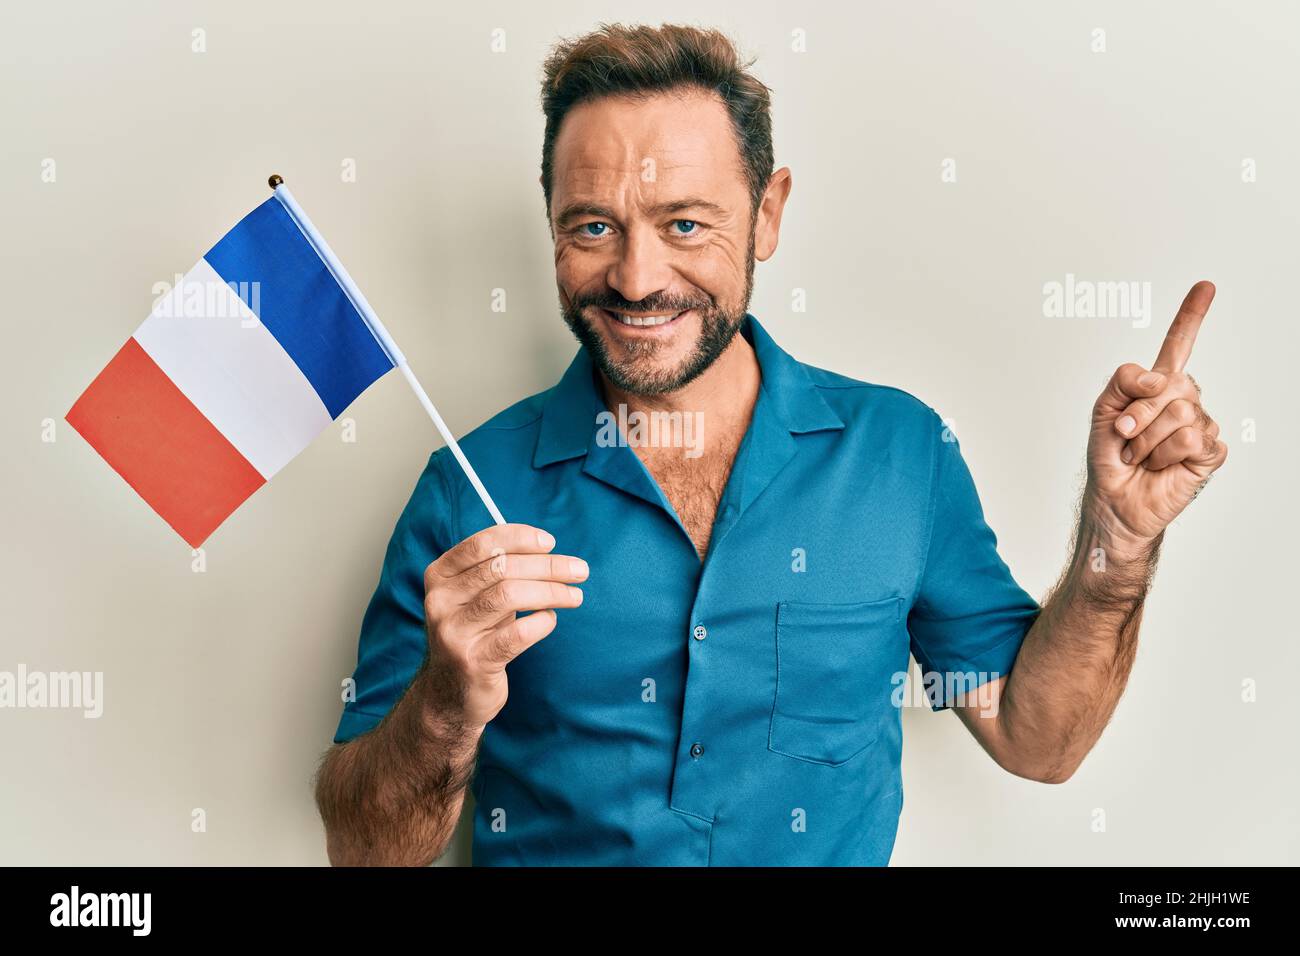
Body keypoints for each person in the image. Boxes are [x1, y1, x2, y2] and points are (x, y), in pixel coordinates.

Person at [314, 23, 1227, 866]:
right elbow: (365, 850)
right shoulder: (467, 489)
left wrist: (1120, 545)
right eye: (593, 225)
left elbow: (1037, 739)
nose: (637, 278)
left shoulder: (901, 454)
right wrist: (442, 705)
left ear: (769, 213)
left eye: (684, 224)